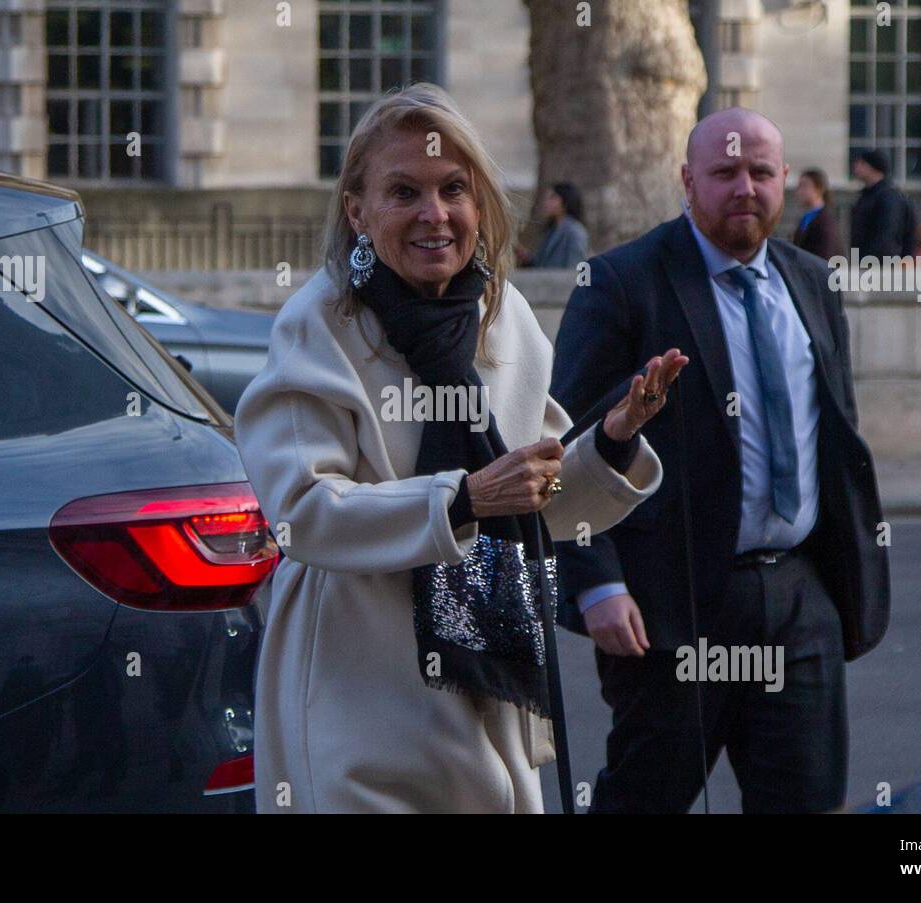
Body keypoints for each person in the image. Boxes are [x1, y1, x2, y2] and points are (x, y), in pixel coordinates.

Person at [233, 84, 687, 814]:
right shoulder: (317, 324)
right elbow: (301, 514)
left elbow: (540, 505)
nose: (433, 215)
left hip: (487, 705)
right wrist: (462, 499)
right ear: (356, 209)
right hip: (357, 692)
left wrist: (613, 438)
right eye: (403, 191)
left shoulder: (506, 322)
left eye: (453, 189)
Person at [549, 108, 890, 813]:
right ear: (687, 180)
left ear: (785, 181)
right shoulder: (621, 283)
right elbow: (568, 448)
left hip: (800, 603)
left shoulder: (813, 284)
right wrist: (596, 581)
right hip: (670, 607)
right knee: (643, 800)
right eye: (725, 172)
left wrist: (836, 590)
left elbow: (838, 436)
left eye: (761, 172)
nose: (745, 187)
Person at [849, 149, 918, 259]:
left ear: (873, 167)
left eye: (862, 163)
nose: (856, 167)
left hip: (882, 264)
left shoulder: (888, 197)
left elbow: (887, 235)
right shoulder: (869, 195)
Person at [518, 183, 590, 268]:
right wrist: (526, 257)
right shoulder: (552, 230)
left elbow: (573, 268)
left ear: (565, 201)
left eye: (552, 198)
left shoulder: (574, 232)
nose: (546, 203)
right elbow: (542, 266)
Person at [792, 168, 844, 261]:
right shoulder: (808, 218)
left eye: (804, 186)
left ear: (819, 189)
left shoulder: (825, 221)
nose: (799, 192)